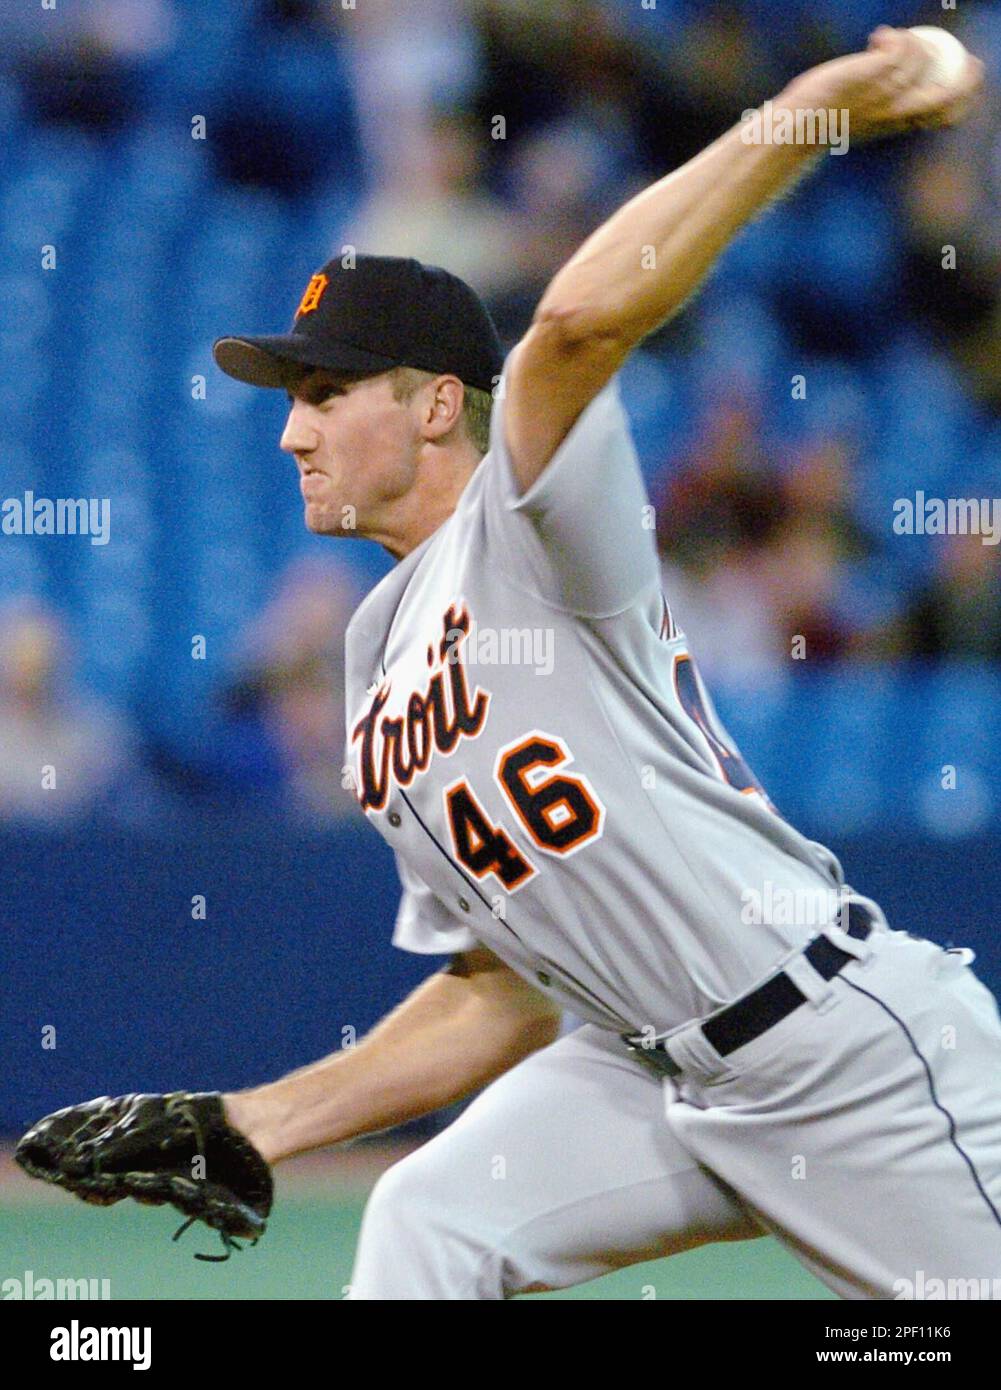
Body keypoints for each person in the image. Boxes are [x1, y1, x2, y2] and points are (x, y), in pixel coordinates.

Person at [25, 27, 996, 1301]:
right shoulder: (374, 662)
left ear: (435, 403)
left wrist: (809, 108)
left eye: (323, 393)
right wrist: (255, 1121)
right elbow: (498, 995)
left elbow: (580, 324)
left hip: (833, 1041)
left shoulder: (534, 525)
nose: (289, 431)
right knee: (429, 1218)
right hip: (643, 1070)